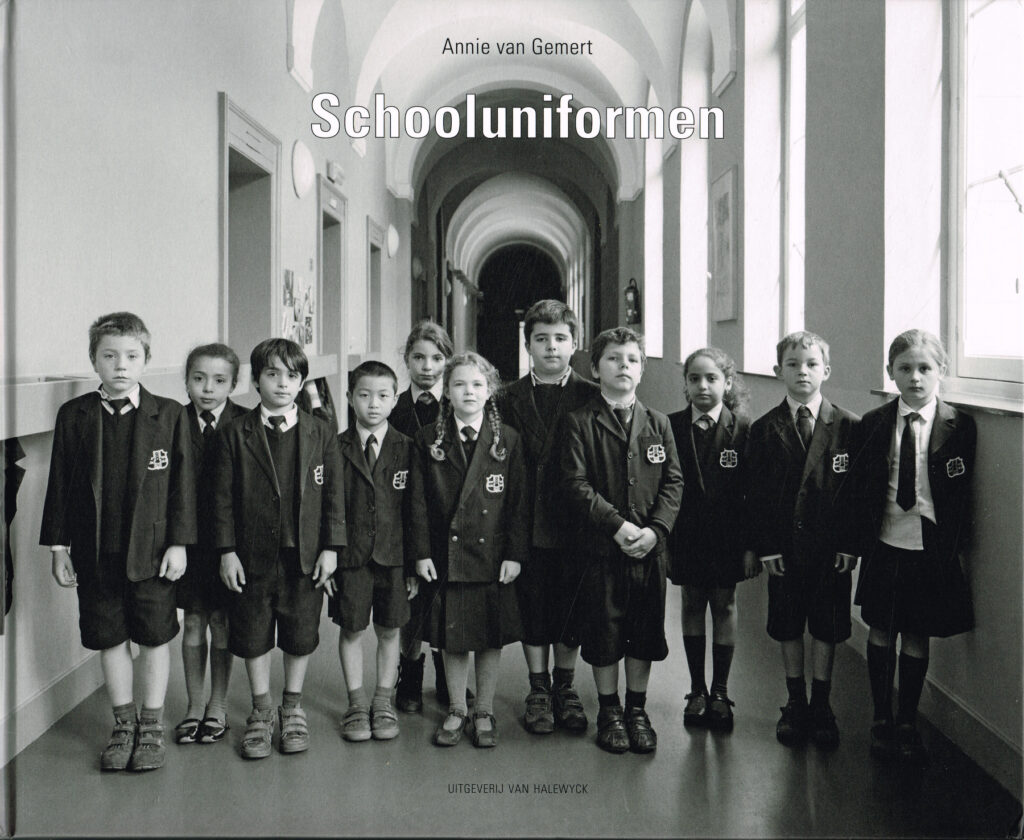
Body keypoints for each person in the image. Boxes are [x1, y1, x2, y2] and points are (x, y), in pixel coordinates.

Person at [40, 312, 196, 772]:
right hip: (96, 551)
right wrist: (58, 547)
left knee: (154, 637)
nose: (121, 365)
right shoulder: (75, 416)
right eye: (109, 356)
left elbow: (183, 486)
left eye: (131, 355)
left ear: (146, 359)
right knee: (109, 637)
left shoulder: (169, 413)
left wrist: (179, 543)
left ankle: (151, 725)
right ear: (94, 360)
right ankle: (123, 724)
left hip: (153, 551)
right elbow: (60, 483)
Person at [212, 338, 345, 759]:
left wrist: (332, 547)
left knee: (299, 635)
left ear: (302, 381)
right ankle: (261, 709)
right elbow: (221, 499)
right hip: (250, 557)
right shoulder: (234, 433)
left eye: (292, 375)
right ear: (255, 381)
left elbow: (334, 495)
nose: (282, 383)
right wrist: (226, 551)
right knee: (252, 635)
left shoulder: (321, 431)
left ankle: (292, 706)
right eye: (272, 374)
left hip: (304, 556)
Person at [852, 329, 975, 765]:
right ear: (891, 372)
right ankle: (881, 717)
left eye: (925, 368)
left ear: (942, 370)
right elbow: (861, 488)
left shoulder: (959, 426)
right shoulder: (873, 424)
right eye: (905, 368)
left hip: (929, 547)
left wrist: (954, 545)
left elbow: (962, 495)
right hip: (886, 541)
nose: (915, 377)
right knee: (882, 628)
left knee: (917, 632)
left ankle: (907, 719)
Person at [561, 327, 683, 754]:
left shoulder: (659, 423)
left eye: (632, 359)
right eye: (613, 359)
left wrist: (656, 530)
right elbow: (575, 483)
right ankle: (609, 710)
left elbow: (673, 482)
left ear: (642, 369)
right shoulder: (579, 422)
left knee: (643, 629)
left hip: (648, 551)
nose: (623, 366)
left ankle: (636, 709)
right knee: (605, 629)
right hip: (601, 550)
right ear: (596, 369)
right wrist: (616, 525)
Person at [745, 330, 860, 750]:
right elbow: (756, 496)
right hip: (784, 550)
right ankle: (795, 701)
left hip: (830, 551)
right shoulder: (764, 429)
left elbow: (857, 495)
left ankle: (822, 703)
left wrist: (850, 543)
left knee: (827, 627)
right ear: (779, 371)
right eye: (793, 365)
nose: (802, 372)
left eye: (811, 364)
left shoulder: (849, 426)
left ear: (826, 370)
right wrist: (767, 547)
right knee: (788, 624)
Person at [408, 352, 528, 748]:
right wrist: (421, 552)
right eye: (459, 384)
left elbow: (518, 504)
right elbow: (417, 502)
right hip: (448, 554)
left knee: (490, 635)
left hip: (492, 554)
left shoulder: (507, 439)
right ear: (446, 391)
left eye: (477, 384)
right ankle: (458, 707)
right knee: (453, 634)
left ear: (490, 390)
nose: (469, 392)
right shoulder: (429, 439)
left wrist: (514, 554)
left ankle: (485, 709)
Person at [500, 299, 598, 735]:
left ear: (575, 344)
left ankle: (565, 685)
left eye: (560, 338)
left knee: (571, 605)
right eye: (541, 339)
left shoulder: (591, 396)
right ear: (528, 345)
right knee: (533, 605)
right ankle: (538, 687)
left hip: (575, 520)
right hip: (525, 518)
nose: (551, 347)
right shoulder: (506, 398)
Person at [667, 347, 759, 732]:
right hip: (686, 536)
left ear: (728, 382)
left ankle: (720, 691)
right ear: (686, 384)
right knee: (691, 603)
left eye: (712, 378)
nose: (703, 386)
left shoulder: (745, 429)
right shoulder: (671, 426)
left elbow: (754, 495)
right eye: (695, 379)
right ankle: (696, 690)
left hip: (727, 538)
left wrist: (752, 545)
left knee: (724, 605)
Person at [331, 361, 413, 742]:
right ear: (350, 397)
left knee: (390, 630)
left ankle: (382, 700)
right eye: (364, 395)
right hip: (350, 559)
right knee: (351, 628)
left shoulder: (408, 448)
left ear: (395, 399)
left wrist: (413, 563)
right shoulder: (335, 447)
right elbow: (327, 508)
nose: (373, 404)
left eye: (382, 396)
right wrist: (329, 558)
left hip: (394, 558)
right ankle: (356, 702)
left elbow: (416, 511)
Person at [175, 343, 246, 746]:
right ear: (186, 380)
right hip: (188, 542)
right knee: (193, 621)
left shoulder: (245, 422)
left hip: (230, 544)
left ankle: (217, 705)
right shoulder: (173, 421)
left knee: (222, 622)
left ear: (234, 384)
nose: (207, 388)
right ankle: (193, 705)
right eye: (198, 379)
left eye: (219, 380)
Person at [390, 320, 462, 712]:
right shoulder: (393, 406)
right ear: (406, 359)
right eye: (419, 357)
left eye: (437, 358)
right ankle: (410, 673)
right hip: (403, 519)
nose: (427, 366)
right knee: (411, 603)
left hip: (448, 520)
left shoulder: (459, 407)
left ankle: (447, 675)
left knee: (446, 602)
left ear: (448, 361)